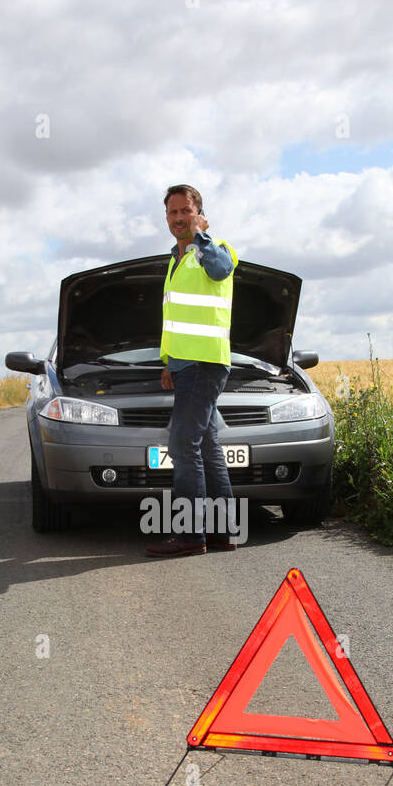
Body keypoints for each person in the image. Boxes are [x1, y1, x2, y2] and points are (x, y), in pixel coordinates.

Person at [145, 184, 239, 558]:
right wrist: (168, 362)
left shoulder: (214, 250)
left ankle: (190, 534)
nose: (179, 218)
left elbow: (219, 270)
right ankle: (223, 531)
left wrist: (202, 237)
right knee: (207, 446)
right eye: (173, 213)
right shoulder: (176, 260)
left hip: (205, 363)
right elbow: (175, 318)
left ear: (199, 214)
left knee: (182, 445)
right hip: (185, 366)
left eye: (186, 211)